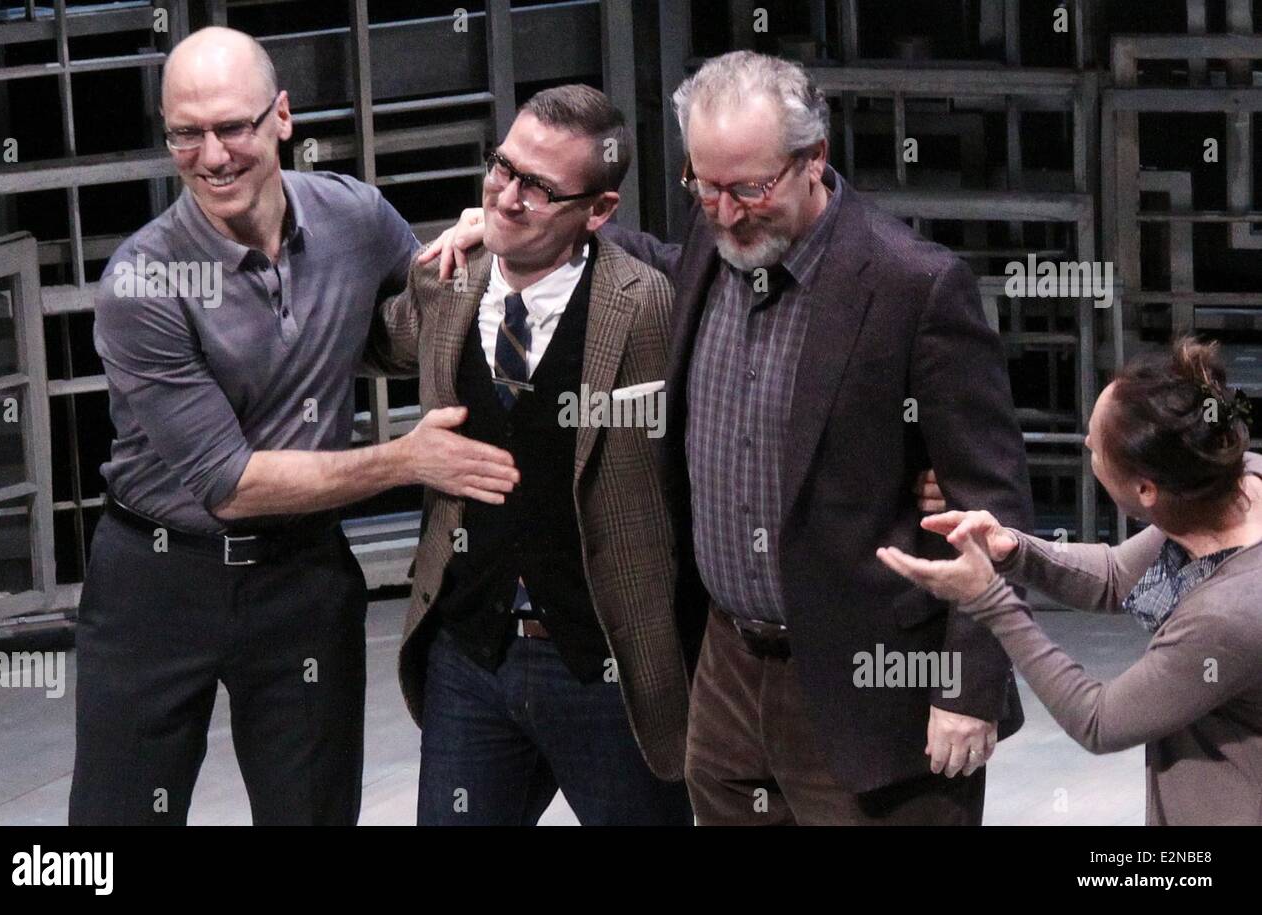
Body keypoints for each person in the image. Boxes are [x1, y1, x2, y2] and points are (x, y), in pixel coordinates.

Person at [429, 50, 1033, 825]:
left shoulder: (915, 286)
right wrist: (509, 221)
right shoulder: (715, 243)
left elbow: (994, 501)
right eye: (703, 186)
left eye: (749, 187)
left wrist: (966, 688)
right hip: (724, 676)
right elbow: (650, 257)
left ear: (814, 158)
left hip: (870, 692)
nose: (725, 211)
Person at [72, 26, 518, 825]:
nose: (212, 156)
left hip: (300, 573)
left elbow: (410, 315)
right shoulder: (144, 282)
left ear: (282, 116)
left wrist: (479, 246)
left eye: (233, 127)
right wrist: (408, 460)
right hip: (159, 579)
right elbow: (230, 484)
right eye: (186, 134)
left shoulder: (351, 216)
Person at [369, 85, 695, 825]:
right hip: (470, 651)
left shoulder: (649, 305)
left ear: (600, 209)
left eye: (539, 188)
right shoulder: (448, 285)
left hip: (604, 658)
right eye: (502, 169)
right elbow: (362, 338)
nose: (507, 198)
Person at [879, 337, 1262, 826]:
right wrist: (1013, 549)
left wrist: (991, 601)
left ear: (1146, 489)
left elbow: (1098, 720)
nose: (1085, 446)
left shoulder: (1228, 617)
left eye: (1096, 447)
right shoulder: (1236, 483)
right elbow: (1116, 576)